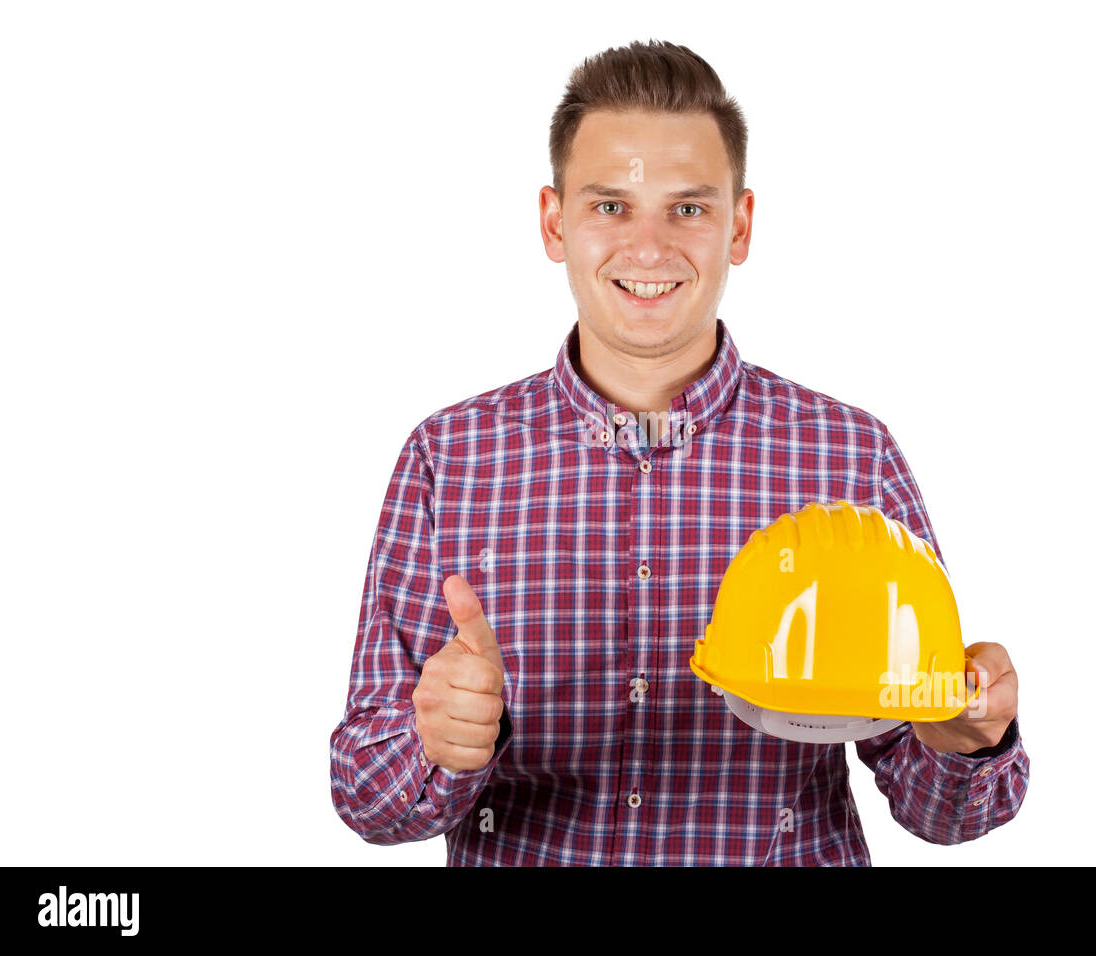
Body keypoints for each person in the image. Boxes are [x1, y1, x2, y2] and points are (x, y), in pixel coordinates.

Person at [329, 39, 1029, 866]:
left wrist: (965, 738)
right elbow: (367, 797)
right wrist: (439, 748)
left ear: (740, 225)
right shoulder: (449, 458)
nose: (650, 248)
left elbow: (945, 814)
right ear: (555, 222)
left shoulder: (850, 457)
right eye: (611, 206)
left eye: (689, 209)